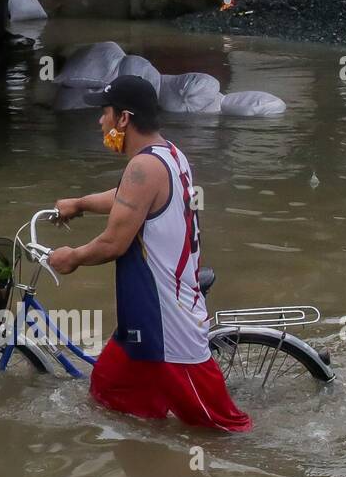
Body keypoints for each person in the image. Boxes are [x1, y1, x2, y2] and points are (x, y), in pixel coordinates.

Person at [47, 75, 251, 432]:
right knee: (109, 394)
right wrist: (79, 204)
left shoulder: (143, 166)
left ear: (123, 119)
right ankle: (147, 469)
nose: (100, 122)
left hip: (167, 328)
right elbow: (127, 197)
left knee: (225, 432)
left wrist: (72, 258)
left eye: (104, 113)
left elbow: (114, 243)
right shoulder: (170, 154)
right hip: (140, 319)